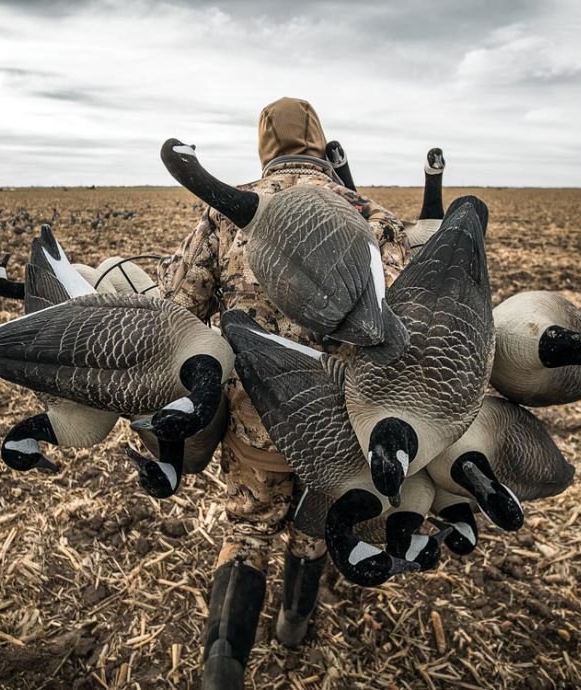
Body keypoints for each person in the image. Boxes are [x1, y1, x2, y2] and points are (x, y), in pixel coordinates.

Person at [158, 97, 408, 689]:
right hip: (344, 424)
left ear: (264, 148)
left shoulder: (225, 214)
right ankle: (295, 624)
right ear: (321, 144)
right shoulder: (375, 219)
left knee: (247, 530)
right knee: (315, 524)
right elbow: (402, 335)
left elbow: (178, 314)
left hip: (255, 424)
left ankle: (223, 666)